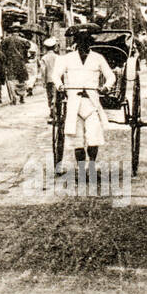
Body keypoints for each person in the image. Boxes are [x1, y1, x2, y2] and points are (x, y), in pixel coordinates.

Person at [53, 26, 116, 187]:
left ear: (90, 43)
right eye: (80, 43)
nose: (83, 46)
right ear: (76, 43)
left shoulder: (98, 58)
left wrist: (106, 87)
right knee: (77, 138)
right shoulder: (66, 59)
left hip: (92, 102)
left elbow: (110, 76)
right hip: (74, 102)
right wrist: (60, 85)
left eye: (86, 42)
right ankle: (82, 170)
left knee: (94, 136)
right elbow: (55, 75)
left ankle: (92, 166)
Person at [0, 31, 29, 104]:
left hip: (10, 63)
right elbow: (27, 48)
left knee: (11, 81)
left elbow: (2, 52)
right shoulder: (23, 40)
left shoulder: (6, 40)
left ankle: (14, 98)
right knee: (22, 80)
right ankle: (22, 97)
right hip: (21, 63)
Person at [39, 36, 60, 121]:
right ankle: (56, 113)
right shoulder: (58, 57)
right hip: (57, 80)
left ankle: (52, 112)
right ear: (55, 47)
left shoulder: (44, 58)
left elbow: (43, 70)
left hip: (49, 80)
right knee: (57, 96)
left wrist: (43, 81)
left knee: (50, 96)